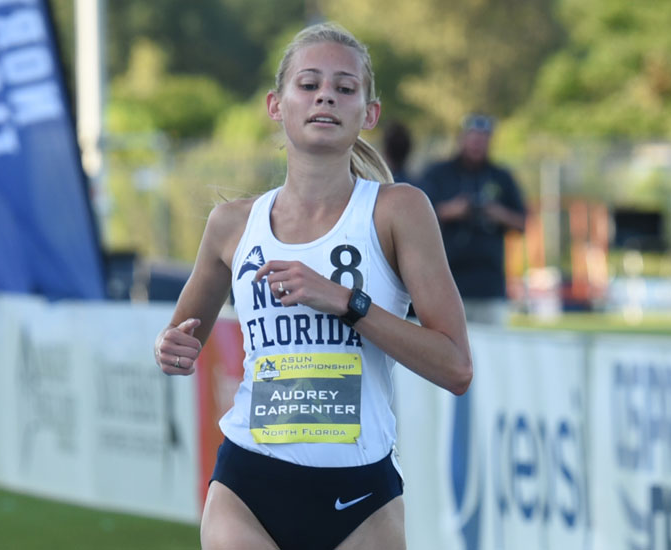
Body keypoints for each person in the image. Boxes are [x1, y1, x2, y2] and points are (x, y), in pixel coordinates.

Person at [153, 22, 472, 550]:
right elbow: (180, 342)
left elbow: (456, 367)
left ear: (369, 114)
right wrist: (169, 349)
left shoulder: (398, 211)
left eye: (345, 88)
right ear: (276, 105)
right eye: (309, 84)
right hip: (248, 485)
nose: (326, 95)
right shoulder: (232, 225)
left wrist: (345, 301)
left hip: (362, 496)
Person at [419, 114, 527, 325]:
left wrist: (497, 213)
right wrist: (451, 211)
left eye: (483, 139)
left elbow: (522, 223)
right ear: (461, 138)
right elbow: (415, 216)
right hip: (447, 282)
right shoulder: (439, 174)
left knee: (492, 342)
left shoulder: (500, 177)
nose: (477, 144)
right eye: (473, 138)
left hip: (489, 286)